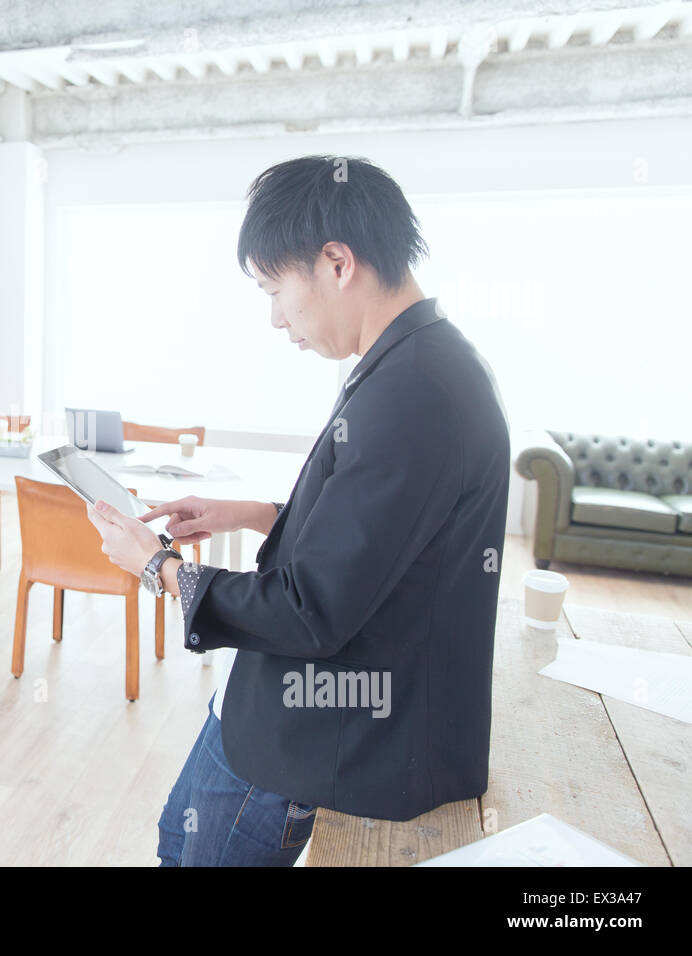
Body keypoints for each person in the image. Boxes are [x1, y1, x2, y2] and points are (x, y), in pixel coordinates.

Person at [86, 155, 510, 867]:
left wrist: (156, 566)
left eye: (275, 288)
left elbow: (312, 607)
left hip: (314, 731)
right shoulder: (418, 361)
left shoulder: (415, 390)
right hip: (279, 708)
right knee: (175, 844)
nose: (277, 319)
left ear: (336, 263)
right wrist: (248, 512)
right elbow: (378, 531)